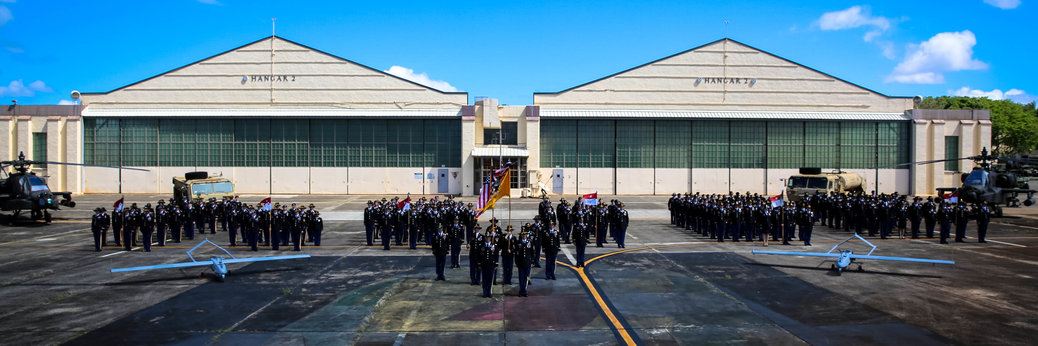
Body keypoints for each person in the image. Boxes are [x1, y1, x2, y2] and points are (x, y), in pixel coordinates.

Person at [477, 232, 498, 298]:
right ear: (485, 238)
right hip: (484, 265)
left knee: (490, 279)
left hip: (491, 265)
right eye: (486, 237)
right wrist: (479, 264)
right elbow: (479, 256)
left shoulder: (493, 246)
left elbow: (496, 256)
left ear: (490, 238)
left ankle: (489, 292)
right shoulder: (481, 246)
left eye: (489, 237)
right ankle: (485, 292)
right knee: (484, 280)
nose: (488, 238)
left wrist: (496, 264)